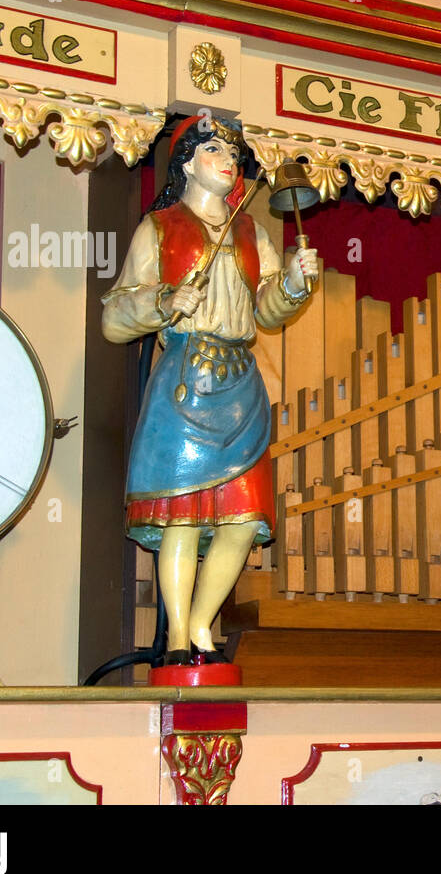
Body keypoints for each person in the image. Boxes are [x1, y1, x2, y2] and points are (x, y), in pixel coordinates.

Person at [101, 113, 319, 666]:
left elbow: (268, 309)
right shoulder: (160, 228)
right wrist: (161, 302)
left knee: (243, 521)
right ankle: (177, 640)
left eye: (233, 152)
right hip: (183, 379)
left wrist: (293, 282)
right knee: (182, 515)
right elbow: (114, 315)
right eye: (215, 149)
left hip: (239, 383)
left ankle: (202, 626)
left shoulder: (253, 232)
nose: (229, 160)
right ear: (187, 162)